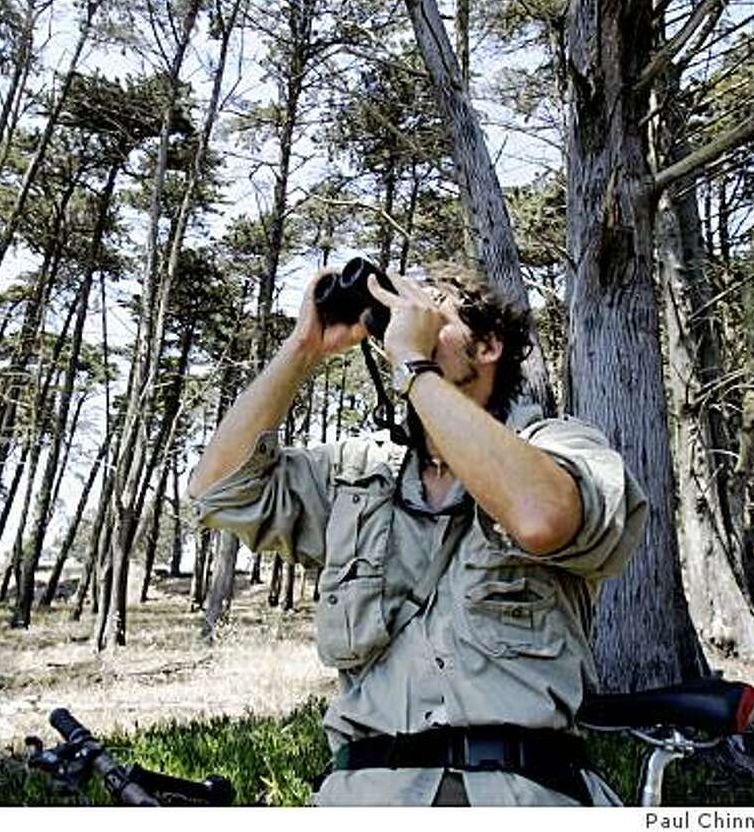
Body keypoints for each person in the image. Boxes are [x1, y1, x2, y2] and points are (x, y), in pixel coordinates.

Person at [188, 262, 647, 806]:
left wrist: (414, 364)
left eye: (427, 309)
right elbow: (217, 491)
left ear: (488, 346)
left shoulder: (556, 447)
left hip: (516, 792)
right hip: (365, 793)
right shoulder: (358, 473)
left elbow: (541, 518)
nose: (405, 322)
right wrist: (303, 349)